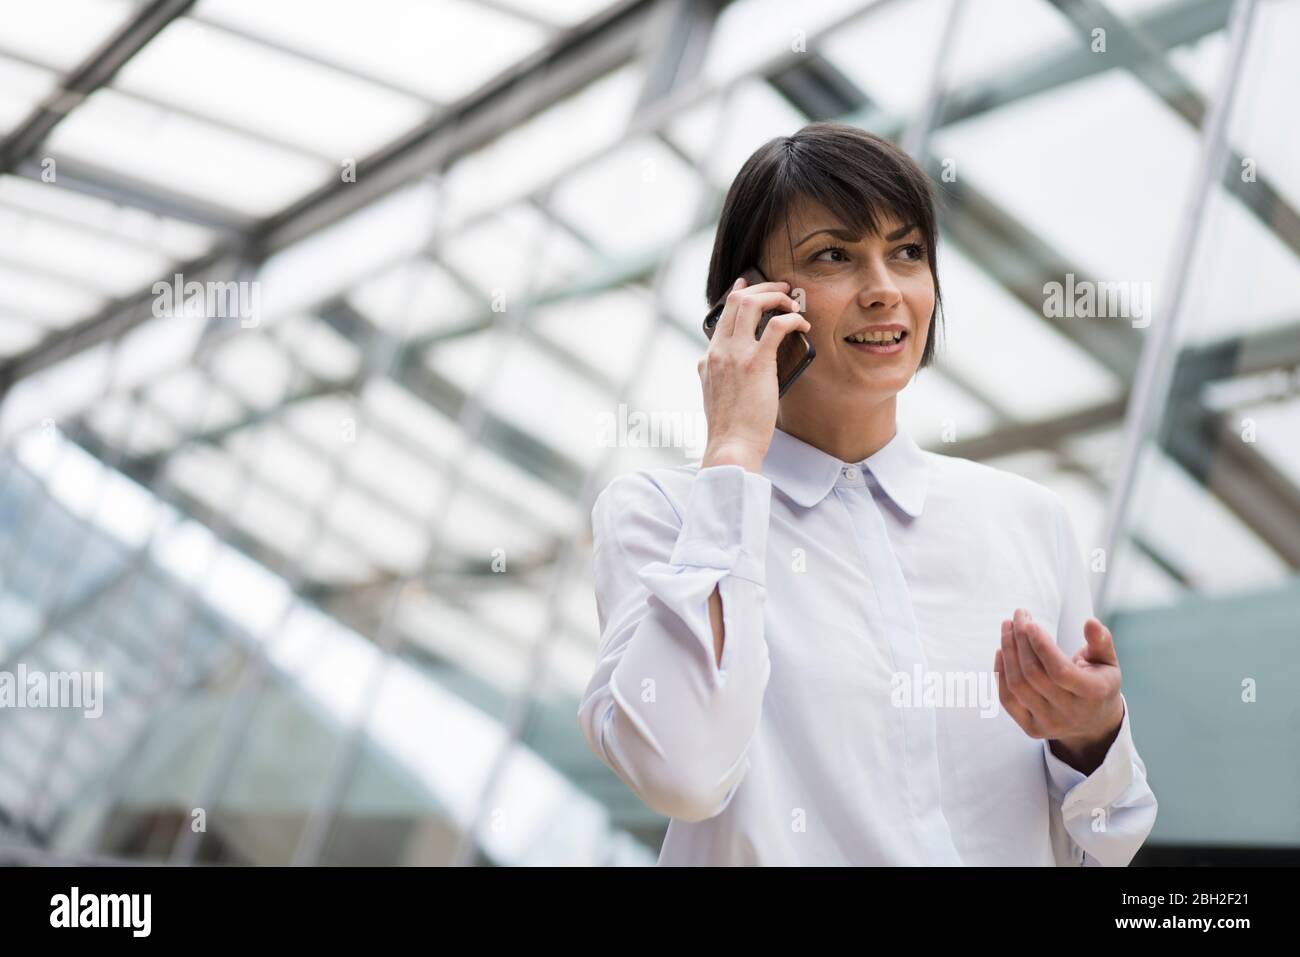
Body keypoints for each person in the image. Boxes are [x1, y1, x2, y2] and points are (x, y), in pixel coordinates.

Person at [577, 122, 1157, 865]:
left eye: (908, 252)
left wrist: (1090, 736)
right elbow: (682, 773)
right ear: (751, 302)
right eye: (835, 256)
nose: (885, 289)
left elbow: (1107, 841)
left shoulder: (1028, 519)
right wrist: (731, 455)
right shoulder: (661, 515)